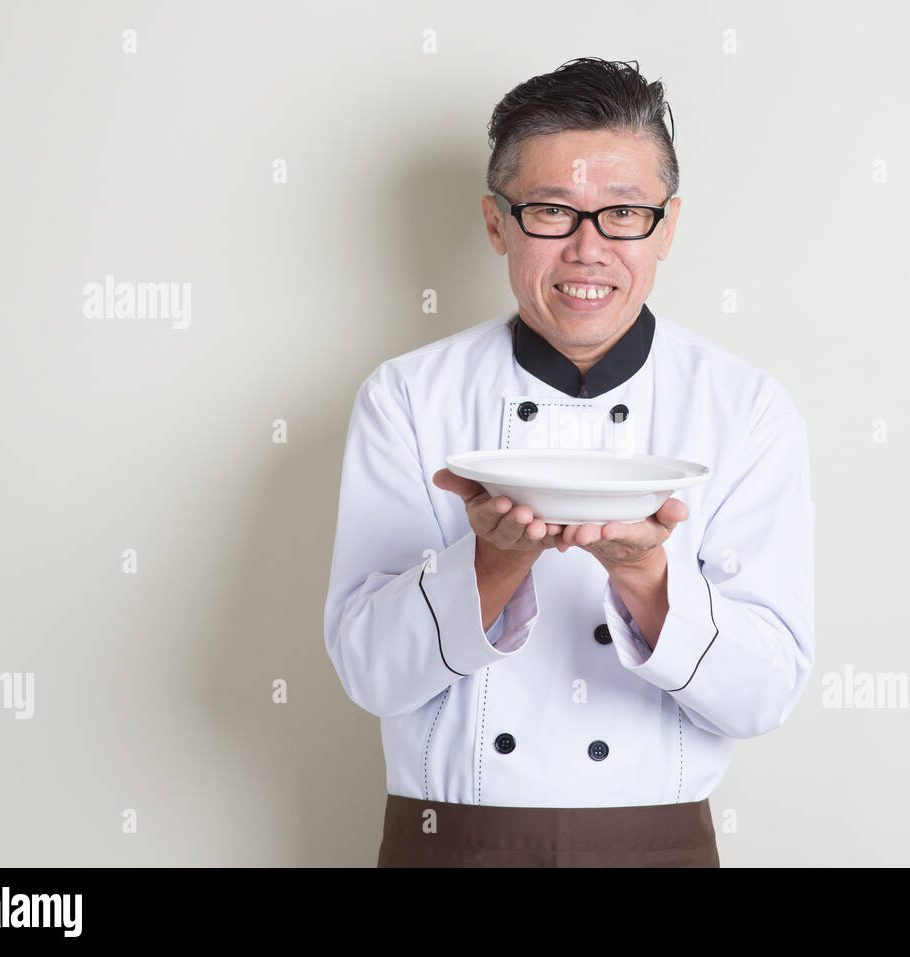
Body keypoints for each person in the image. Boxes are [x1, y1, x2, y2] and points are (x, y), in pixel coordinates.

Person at [323, 57, 815, 867]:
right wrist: (492, 560)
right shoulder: (406, 397)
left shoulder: (746, 409)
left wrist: (647, 579)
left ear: (667, 226)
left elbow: (764, 695)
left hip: (655, 849)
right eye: (551, 211)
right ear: (496, 223)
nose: (588, 250)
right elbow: (371, 675)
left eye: (624, 212)